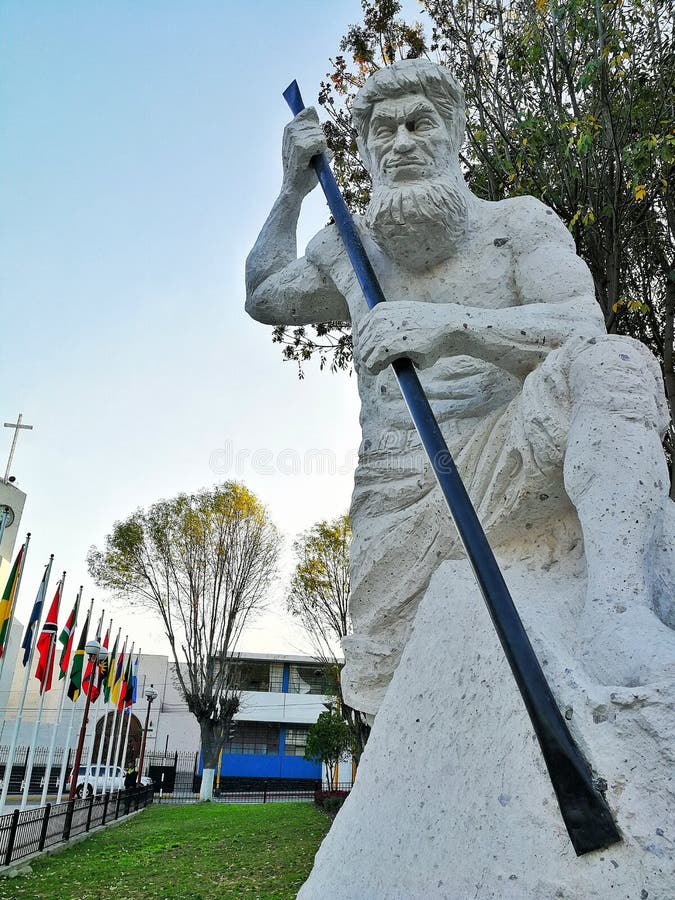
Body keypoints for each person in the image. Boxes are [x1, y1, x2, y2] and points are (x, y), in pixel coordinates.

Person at [246, 60, 674, 718]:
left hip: (512, 452)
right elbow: (262, 295)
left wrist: (451, 328)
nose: (401, 143)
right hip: (399, 493)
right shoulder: (346, 249)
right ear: (364, 152)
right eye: (383, 131)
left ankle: (617, 617)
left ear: (455, 134)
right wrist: (291, 191)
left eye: (420, 124)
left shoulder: (516, 227)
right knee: (382, 677)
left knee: (614, 364)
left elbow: (580, 327)